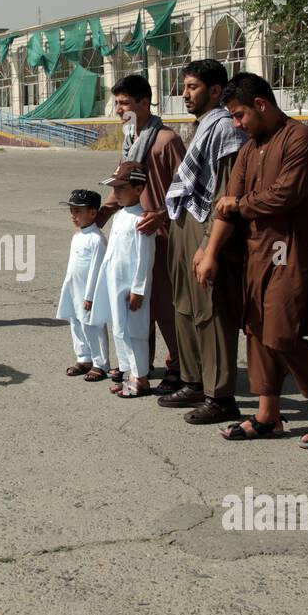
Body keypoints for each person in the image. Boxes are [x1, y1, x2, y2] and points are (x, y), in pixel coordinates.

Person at [197, 72, 308, 447]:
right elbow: (227, 205)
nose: (236, 123)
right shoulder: (250, 149)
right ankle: (268, 416)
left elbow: (284, 195)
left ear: (260, 104)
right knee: (257, 331)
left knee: (280, 334)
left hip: (292, 250)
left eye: (239, 114)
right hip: (257, 251)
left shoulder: (302, 140)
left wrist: (240, 204)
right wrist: (210, 251)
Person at [160, 59, 247, 425]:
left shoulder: (225, 128)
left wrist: (210, 244)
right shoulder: (204, 127)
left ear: (215, 90)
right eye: (184, 87)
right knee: (184, 305)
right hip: (185, 223)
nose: (185, 94)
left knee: (210, 312)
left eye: (192, 87)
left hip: (205, 227)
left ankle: (220, 395)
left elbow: (226, 192)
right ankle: (193, 380)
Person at [95, 74, 186, 393]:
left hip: (164, 236)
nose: (119, 110)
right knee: (135, 308)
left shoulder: (167, 140)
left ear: (145, 103)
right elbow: (120, 183)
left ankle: (180, 365)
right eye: (116, 103)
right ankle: (140, 367)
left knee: (164, 306)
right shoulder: (130, 141)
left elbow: (188, 187)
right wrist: (102, 214)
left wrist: (162, 214)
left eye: (125, 103)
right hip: (134, 235)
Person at [86, 163, 155, 398]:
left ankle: (141, 378)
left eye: (121, 188)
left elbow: (145, 258)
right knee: (119, 330)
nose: (115, 193)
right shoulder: (120, 216)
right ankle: (128, 373)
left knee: (135, 332)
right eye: (113, 188)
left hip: (130, 289)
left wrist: (138, 289)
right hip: (114, 285)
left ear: (138, 188)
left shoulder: (143, 218)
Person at [55, 189, 110, 382]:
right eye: (72, 211)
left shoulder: (97, 239)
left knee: (92, 325)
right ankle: (84, 357)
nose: (73, 216)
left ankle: (100, 363)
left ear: (93, 213)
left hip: (89, 293)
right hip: (73, 288)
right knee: (76, 323)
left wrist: (91, 296)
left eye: (78, 211)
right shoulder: (78, 235)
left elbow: (97, 270)